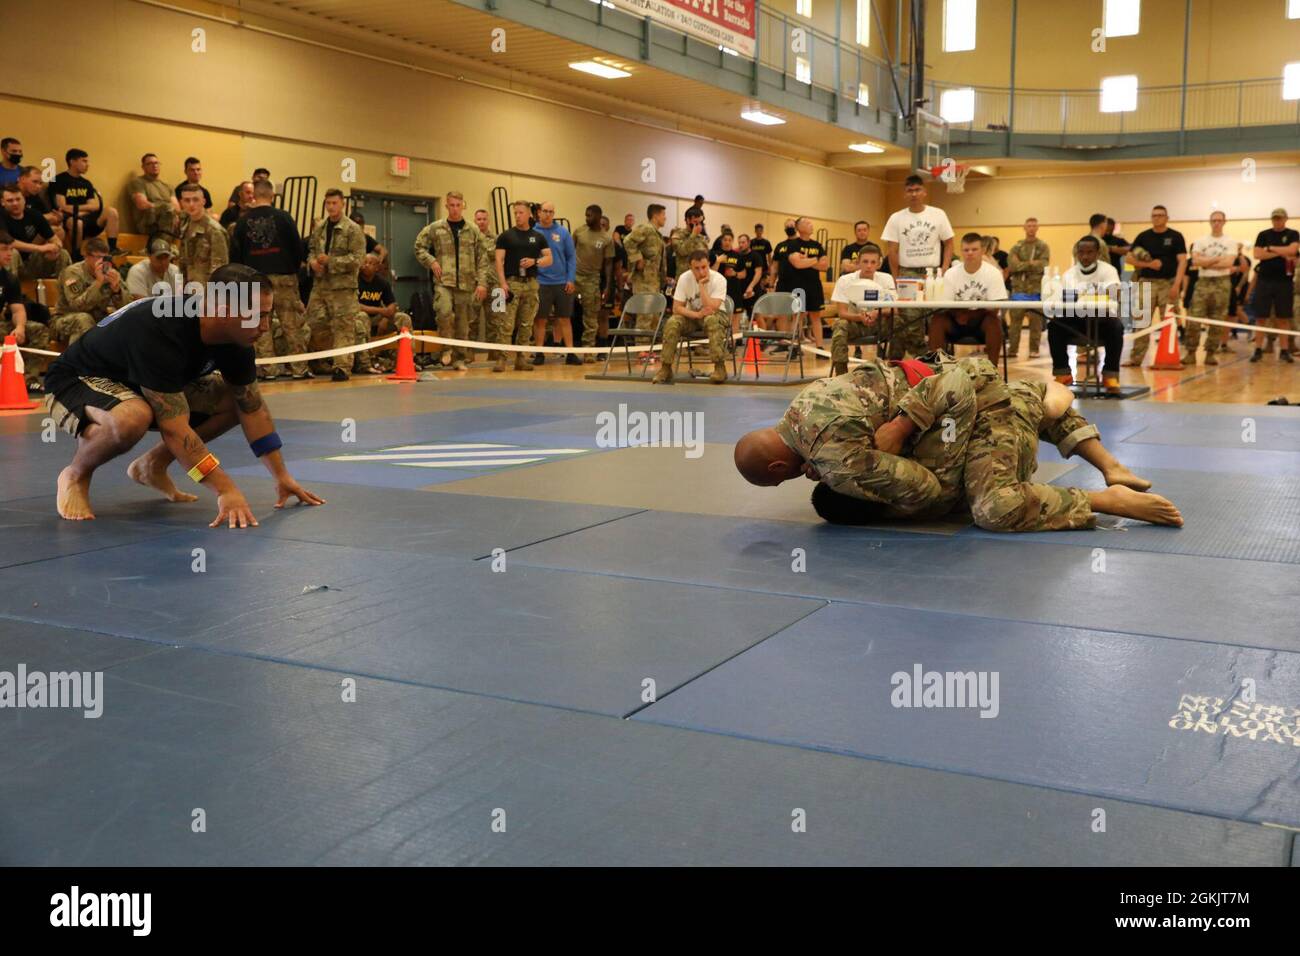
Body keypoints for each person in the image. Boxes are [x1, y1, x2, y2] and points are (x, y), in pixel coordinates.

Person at [43, 263, 323, 524]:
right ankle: (76, 475)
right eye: (257, 316)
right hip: (77, 380)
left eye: (267, 314)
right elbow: (175, 429)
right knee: (132, 419)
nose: (265, 326)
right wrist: (224, 489)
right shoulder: (162, 329)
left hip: (138, 383)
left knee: (234, 399)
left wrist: (281, 476)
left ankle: (152, 465)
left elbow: (252, 407)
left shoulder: (238, 339)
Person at [805, 378, 1182, 531]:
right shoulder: (891, 488)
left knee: (993, 508)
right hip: (983, 417)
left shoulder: (881, 462)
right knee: (986, 495)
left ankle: (1108, 497)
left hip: (990, 406)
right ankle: (1106, 461)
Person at [735, 354, 1008, 515]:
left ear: (777, 466)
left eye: (780, 479)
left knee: (942, 500)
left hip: (967, 394)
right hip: (946, 369)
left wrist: (862, 495)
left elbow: (926, 488)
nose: (788, 480)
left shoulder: (837, 465)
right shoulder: (801, 404)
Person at [230, 179, 308, 380]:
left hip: (255, 279)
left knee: (260, 326)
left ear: (253, 195)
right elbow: (298, 249)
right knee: (291, 325)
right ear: (272, 195)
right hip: (284, 277)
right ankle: (299, 368)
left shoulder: (242, 222)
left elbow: (235, 256)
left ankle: (268, 369)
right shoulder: (284, 218)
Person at [413, 190, 490, 371]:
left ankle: (459, 358)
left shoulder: (473, 230)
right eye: (451, 205)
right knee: (444, 312)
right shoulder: (435, 228)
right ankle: (445, 349)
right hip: (443, 281)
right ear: (446, 206)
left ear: (463, 206)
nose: (455, 209)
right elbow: (419, 247)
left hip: (466, 283)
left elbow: (483, 258)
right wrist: (431, 261)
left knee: (463, 324)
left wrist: (482, 283)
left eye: (458, 205)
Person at [880, 174, 954, 358]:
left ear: (924, 192)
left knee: (936, 320)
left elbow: (950, 243)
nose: (914, 194)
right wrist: (897, 279)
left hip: (932, 273)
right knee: (910, 324)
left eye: (917, 190)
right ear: (905, 194)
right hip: (908, 274)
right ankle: (923, 360)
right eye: (910, 190)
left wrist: (944, 270)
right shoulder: (896, 218)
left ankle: (939, 359)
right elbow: (893, 251)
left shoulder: (938, 214)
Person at [1046, 235, 1124, 393]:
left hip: (1101, 319)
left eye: (1089, 252)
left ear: (1097, 253)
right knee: (1054, 326)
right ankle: (1063, 373)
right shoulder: (1069, 274)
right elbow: (1066, 301)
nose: (1085, 256)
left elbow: (1115, 292)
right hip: (1078, 319)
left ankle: (1110, 374)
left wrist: (1092, 294)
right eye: (1081, 252)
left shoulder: (1108, 270)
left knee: (1116, 326)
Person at [305, 189, 366, 381]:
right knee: (315, 323)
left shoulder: (352, 229)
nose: (331, 207)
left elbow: (358, 259)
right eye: (328, 203)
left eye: (334, 203)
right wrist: (313, 263)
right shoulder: (320, 228)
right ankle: (323, 360)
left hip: (343, 288)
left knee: (343, 327)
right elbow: (312, 251)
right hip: (321, 286)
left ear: (342, 205)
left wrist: (331, 261)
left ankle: (342, 366)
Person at [652, 250, 729, 385]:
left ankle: (719, 368)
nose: (701, 272)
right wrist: (697, 314)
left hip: (717, 315)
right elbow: (676, 308)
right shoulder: (684, 278)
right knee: (673, 321)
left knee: (711, 319)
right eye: (697, 268)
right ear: (690, 267)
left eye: (704, 267)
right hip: (693, 316)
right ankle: (666, 368)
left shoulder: (719, 279)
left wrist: (701, 286)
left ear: (709, 264)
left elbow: (711, 307)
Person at [492, 200, 552, 372]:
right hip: (511, 283)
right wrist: (502, 284)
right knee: (506, 323)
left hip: (531, 284)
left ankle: (521, 358)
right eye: (515, 213)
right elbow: (498, 260)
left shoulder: (538, 237)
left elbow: (549, 259)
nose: (518, 216)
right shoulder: (506, 236)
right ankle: (501, 359)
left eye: (521, 212)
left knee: (527, 323)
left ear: (529, 215)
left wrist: (535, 261)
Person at [1124, 205, 1187, 367]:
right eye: (1154, 215)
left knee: (1170, 319)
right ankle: (1136, 358)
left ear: (1167, 218)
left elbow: (1182, 262)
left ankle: (1170, 357)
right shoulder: (1143, 237)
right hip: (1146, 282)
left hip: (1168, 283)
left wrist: (1177, 285)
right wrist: (1150, 265)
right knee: (1141, 321)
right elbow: (1129, 260)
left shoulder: (1176, 236)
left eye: (1160, 215)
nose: (1157, 218)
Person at [929, 233, 1006, 358]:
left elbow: (995, 306)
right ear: (961, 252)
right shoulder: (951, 273)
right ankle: (937, 368)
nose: (970, 253)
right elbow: (946, 305)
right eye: (966, 250)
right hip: (957, 321)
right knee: (938, 319)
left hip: (982, 322)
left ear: (982, 251)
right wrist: (960, 313)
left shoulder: (994, 273)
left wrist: (973, 315)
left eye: (974, 249)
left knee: (994, 321)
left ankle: (992, 372)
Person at [1184, 211, 1242, 366]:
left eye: (1219, 220)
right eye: (1213, 220)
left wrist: (1206, 261)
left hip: (1222, 282)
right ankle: (1190, 352)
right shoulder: (1201, 241)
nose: (1216, 223)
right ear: (1210, 222)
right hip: (1203, 282)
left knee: (1217, 320)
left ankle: (1210, 353)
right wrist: (1217, 259)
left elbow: (1229, 263)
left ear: (1224, 222)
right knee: (1194, 318)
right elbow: (1195, 261)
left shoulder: (1230, 242)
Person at [828, 243, 896, 375]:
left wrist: (876, 313)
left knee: (899, 321)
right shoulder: (845, 280)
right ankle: (841, 374)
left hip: (879, 324)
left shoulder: (886, 279)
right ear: (858, 262)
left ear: (879, 264)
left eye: (873, 262)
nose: (869, 266)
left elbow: (894, 309)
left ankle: (894, 368)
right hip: (855, 324)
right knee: (839, 325)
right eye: (865, 261)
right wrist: (859, 317)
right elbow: (842, 313)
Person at [0, 231, 54, 391]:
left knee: (38, 330)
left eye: (11, 249)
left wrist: (20, 327)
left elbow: (17, 309)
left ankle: (28, 380)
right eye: (4, 249)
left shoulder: (9, 278)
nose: (10, 253)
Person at [531, 201, 578, 365]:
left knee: (565, 318)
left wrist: (570, 279)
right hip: (541, 282)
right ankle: (539, 353)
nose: (548, 214)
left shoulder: (563, 232)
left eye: (551, 211)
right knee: (540, 319)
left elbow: (571, 257)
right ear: (539, 212)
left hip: (561, 282)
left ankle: (570, 353)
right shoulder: (533, 232)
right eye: (545, 211)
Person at [52, 238, 125, 344]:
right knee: (84, 319)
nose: (103, 261)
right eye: (99, 257)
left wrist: (117, 290)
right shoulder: (73, 272)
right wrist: (98, 283)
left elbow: (128, 307)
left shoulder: (110, 272)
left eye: (106, 257)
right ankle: (77, 360)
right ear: (87, 256)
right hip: (66, 319)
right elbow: (77, 306)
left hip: (97, 318)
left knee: (125, 321)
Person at [1248, 208, 1298, 364]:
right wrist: (1282, 253)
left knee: (1283, 317)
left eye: (1280, 218)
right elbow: (1257, 254)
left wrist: (1270, 249)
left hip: (1284, 282)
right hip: (1264, 281)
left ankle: (1284, 350)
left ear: (1285, 219)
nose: (1277, 221)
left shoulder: (1293, 234)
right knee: (1261, 317)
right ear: (1271, 219)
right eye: (1275, 218)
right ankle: (1258, 349)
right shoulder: (1263, 235)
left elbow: (1293, 250)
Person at [49, 149, 120, 255]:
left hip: (86, 218)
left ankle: (113, 248)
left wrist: (78, 210)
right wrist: (83, 209)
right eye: (84, 161)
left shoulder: (86, 183)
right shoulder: (58, 180)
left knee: (111, 211)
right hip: (68, 219)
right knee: (77, 222)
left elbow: (94, 206)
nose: (88, 165)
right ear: (72, 161)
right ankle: (76, 255)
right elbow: (62, 206)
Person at [775, 217, 829, 349]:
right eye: (808, 223)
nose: (811, 225)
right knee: (797, 316)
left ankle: (820, 347)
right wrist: (816, 260)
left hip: (814, 285)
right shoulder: (792, 245)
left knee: (816, 316)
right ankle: (793, 347)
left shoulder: (817, 245)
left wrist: (809, 260)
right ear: (799, 228)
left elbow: (825, 265)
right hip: (798, 286)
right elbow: (797, 264)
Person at [572, 204, 615, 362]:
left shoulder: (606, 238)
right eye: (586, 215)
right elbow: (570, 253)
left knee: (590, 315)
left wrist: (607, 286)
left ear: (598, 216)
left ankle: (588, 349)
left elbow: (609, 264)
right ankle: (564, 348)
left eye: (589, 215)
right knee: (564, 313)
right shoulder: (579, 232)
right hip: (574, 276)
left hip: (592, 279)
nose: (587, 218)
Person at [355, 253, 412, 372]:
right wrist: (382, 311)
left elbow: (392, 304)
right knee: (363, 316)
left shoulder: (382, 283)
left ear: (377, 267)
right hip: (358, 319)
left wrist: (385, 319)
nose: (366, 265)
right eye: (364, 262)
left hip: (377, 318)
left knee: (403, 318)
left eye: (370, 263)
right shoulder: (355, 280)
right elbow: (356, 306)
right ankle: (366, 363)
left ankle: (407, 360)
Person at [1, 183, 69, 280]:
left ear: (24, 200)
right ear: (2, 202)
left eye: (18, 199)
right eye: (10, 200)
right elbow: (10, 243)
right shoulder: (1, 217)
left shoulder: (34, 214)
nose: (15, 203)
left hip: (31, 261)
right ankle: (11, 290)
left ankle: (60, 288)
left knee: (62, 253)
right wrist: (41, 248)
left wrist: (55, 247)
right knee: (12, 253)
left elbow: (54, 239)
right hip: (12, 260)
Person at [1005, 218, 1049, 359]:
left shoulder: (1043, 246)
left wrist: (1022, 264)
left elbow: (1043, 264)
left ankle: (1034, 350)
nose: (1031, 228)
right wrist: (1031, 264)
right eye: (1028, 226)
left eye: (1033, 226)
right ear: (1024, 227)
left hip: (1035, 290)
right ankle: (1013, 349)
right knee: (1015, 323)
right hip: (1019, 290)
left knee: (1036, 323)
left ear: (1037, 228)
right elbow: (1012, 266)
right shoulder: (1017, 247)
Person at [621, 204, 668, 331]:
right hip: (643, 280)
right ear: (655, 215)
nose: (665, 217)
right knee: (645, 316)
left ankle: (650, 349)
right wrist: (637, 258)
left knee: (654, 317)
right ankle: (641, 348)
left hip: (654, 281)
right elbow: (627, 240)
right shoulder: (646, 228)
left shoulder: (657, 234)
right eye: (663, 214)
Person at [176, 183, 229, 287]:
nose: (191, 204)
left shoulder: (214, 230)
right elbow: (183, 263)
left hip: (207, 292)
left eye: (195, 200)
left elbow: (220, 270)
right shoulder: (185, 226)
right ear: (181, 203)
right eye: (187, 200)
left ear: (203, 202)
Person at [128, 153, 181, 243]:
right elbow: (142, 204)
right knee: (167, 208)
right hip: (147, 222)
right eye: (150, 163)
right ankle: (162, 248)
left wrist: (172, 212)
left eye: (156, 163)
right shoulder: (138, 182)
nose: (154, 165)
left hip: (169, 220)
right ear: (143, 167)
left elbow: (177, 208)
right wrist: (165, 208)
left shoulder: (167, 186)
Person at [472, 207, 498, 345]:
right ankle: (469, 352)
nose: (481, 222)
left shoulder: (497, 239)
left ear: (488, 221)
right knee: (472, 320)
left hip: (494, 284)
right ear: (474, 221)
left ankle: (494, 353)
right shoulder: (469, 239)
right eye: (479, 219)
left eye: (484, 219)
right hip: (474, 285)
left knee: (496, 319)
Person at [668, 206, 710, 284]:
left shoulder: (702, 238)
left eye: (700, 222)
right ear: (687, 220)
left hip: (700, 279)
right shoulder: (678, 234)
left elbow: (706, 257)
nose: (698, 225)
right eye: (695, 222)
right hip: (684, 279)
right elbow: (682, 251)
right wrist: (693, 235)